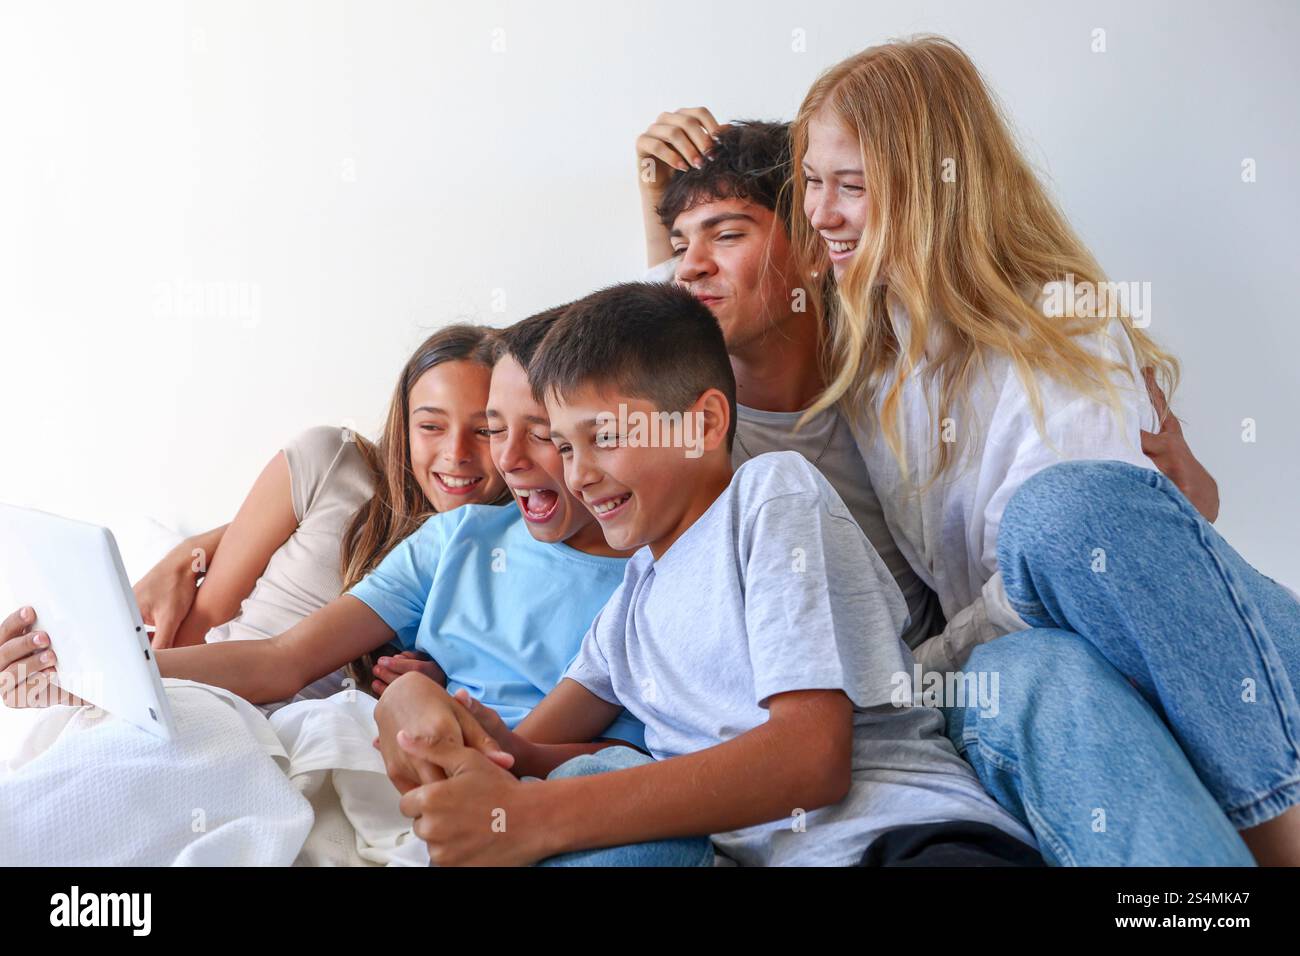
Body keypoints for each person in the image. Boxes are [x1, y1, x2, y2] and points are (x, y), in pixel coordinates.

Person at [632, 112, 1253, 864]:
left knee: (1067, 656)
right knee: (1043, 671)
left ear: (818, 248)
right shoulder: (698, 439)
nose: (690, 265)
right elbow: (640, 377)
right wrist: (652, 206)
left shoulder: (898, 377)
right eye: (677, 248)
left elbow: (1055, 511)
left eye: (727, 235)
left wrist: (1161, 520)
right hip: (883, 704)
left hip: (970, 664)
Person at [790, 35, 1300, 864]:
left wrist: (925, 662)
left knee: (1065, 519)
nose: (819, 212)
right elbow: (697, 360)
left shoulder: (1059, 325)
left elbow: (1074, 569)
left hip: (1189, 656)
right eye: (812, 180)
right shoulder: (863, 348)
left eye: (851, 187)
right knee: (1038, 671)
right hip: (1033, 675)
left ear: (933, 192)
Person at [375, 281, 1042, 867]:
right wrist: (459, 735)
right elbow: (530, 751)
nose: (579, 473)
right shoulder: (632, 603)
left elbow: (810, 759)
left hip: (906, 836)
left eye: (603, 438)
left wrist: (536, 817)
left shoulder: (768, 498)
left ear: (703, 424)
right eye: (568, 445)